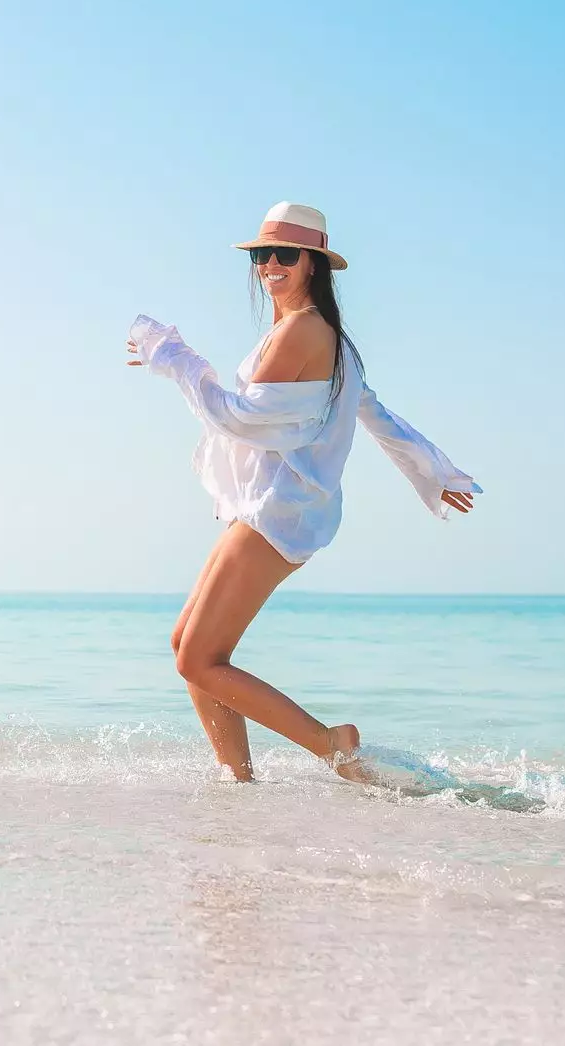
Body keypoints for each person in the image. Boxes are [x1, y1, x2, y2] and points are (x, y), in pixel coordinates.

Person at [126, 202, 479, 782]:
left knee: (199, 657)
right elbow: (375, 414)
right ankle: (237, 782)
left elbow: (239, 418)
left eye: (284, 254)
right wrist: (435, 474)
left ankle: (330, 744)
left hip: (279, 509)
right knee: (185, 644)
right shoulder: (320, 335)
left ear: (313, 263)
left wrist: (176, 360)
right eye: (262, 254)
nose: (270, 265)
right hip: (275, 506)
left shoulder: (303, 330)